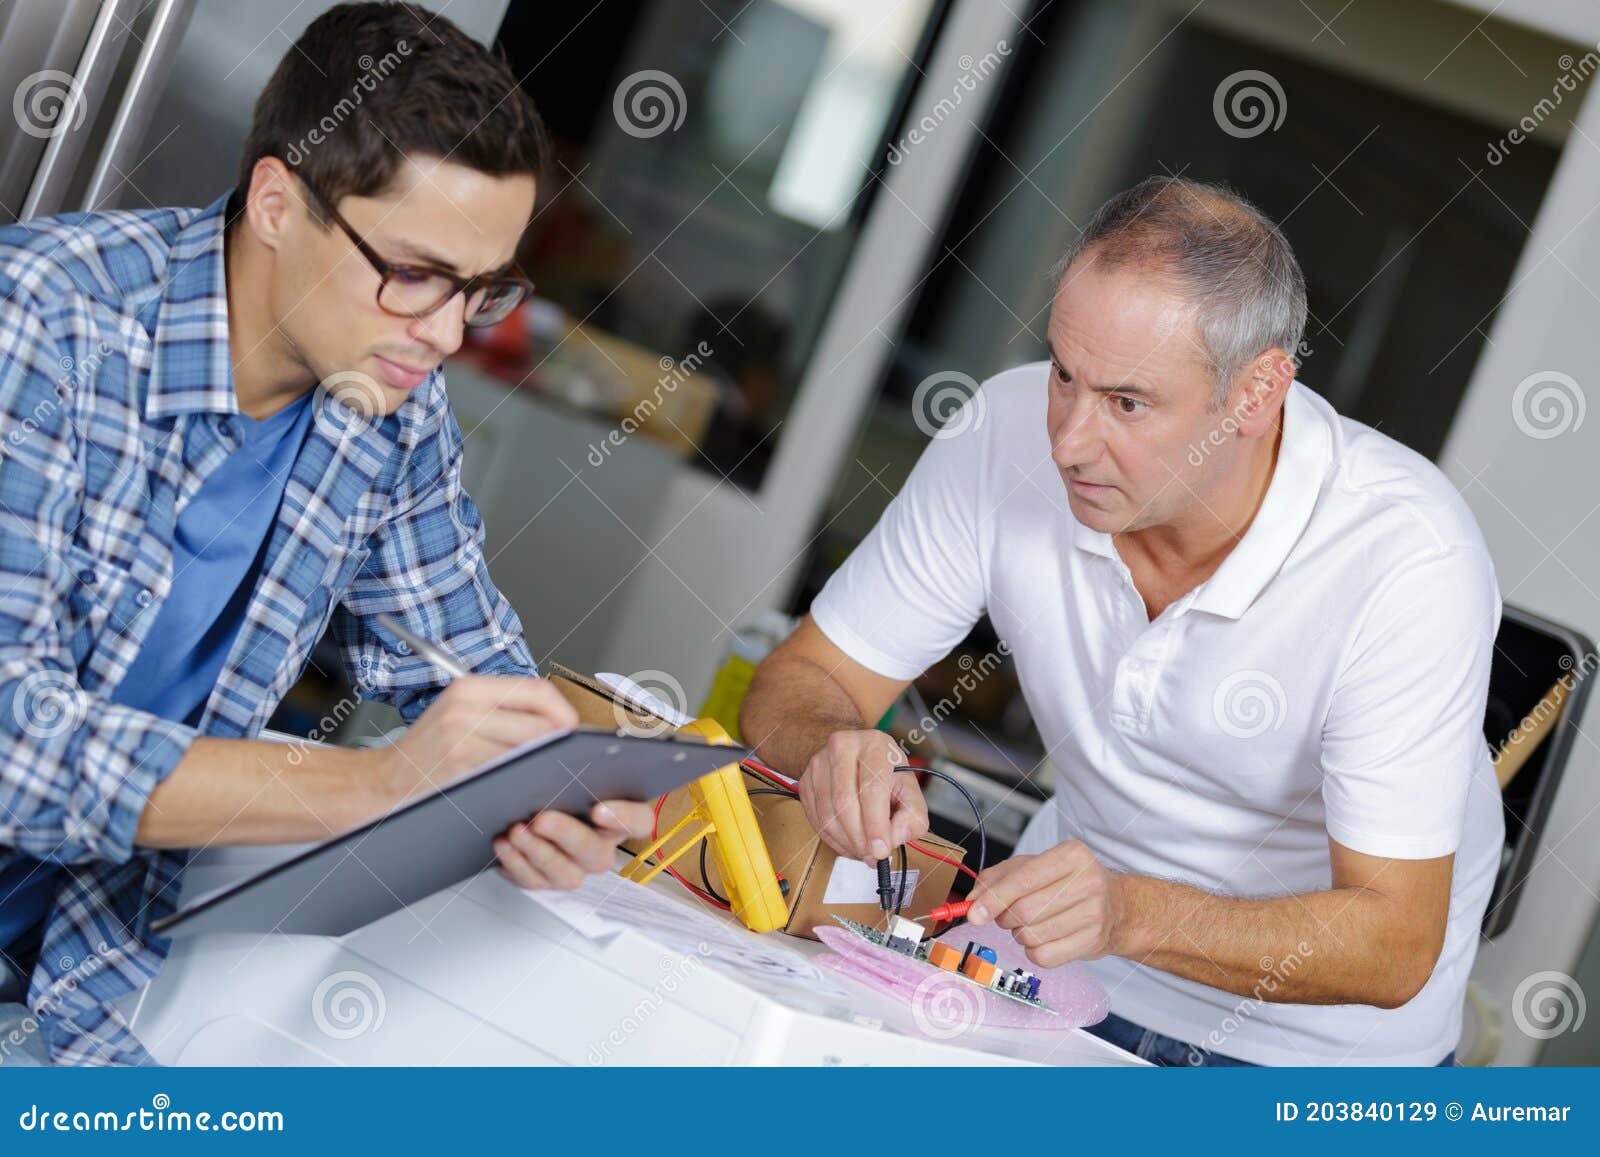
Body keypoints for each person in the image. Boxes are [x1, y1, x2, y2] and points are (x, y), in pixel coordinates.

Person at [0, 2, 652, 1067]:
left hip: (75, 1001)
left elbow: (472, 674)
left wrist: (552, 790)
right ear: (275, 203)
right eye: (416, 273)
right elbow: (13, 748)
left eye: (481, 289)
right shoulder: (40, 322)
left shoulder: (388, 409)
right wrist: (376, 786)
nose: (445, 333)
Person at [740, 176, 1502, 1067]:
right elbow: (802, 679)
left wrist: (1129, 912)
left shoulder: (1409, 556)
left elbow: (1394, 942)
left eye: (1127, 403)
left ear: (1257, 393)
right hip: (1048, 979)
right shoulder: (1001, 431)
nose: (1067, 440)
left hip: (1311, 1053)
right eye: (1064, 374)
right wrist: (832, 747)